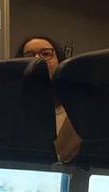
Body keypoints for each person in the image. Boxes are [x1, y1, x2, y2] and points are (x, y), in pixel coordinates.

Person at [18, 35, 82, 164]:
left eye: (46, 54)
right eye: (29, 56)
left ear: (61, 62)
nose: (38, 60)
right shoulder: (12, 112)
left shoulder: (80, 111)